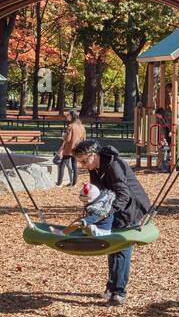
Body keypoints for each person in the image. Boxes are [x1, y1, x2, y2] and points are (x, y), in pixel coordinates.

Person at [72, 138, 152, 306]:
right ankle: (111, 286)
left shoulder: (113, 165)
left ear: (94, 155)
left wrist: (106, 212)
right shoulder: (95, 168)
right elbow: (98, 193)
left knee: (121, 246)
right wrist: (91, 208)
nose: (83, 166)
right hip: (115, 207)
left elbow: (124, 195)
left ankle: (119, 292)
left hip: (131, 207)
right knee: (111, 245)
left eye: (85, 161)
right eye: (81, 163)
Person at [56, 110, 84, 186]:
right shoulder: (81, 126)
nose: (66, 116)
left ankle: (59, 183)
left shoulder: (70, 126)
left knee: (62, 165)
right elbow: (84, 138)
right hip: (77, 148)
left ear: (71, 116)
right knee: (74, 166)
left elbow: (67, 139)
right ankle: (74, 183)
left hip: (68, 149)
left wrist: (63, 135)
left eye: (68, 115)